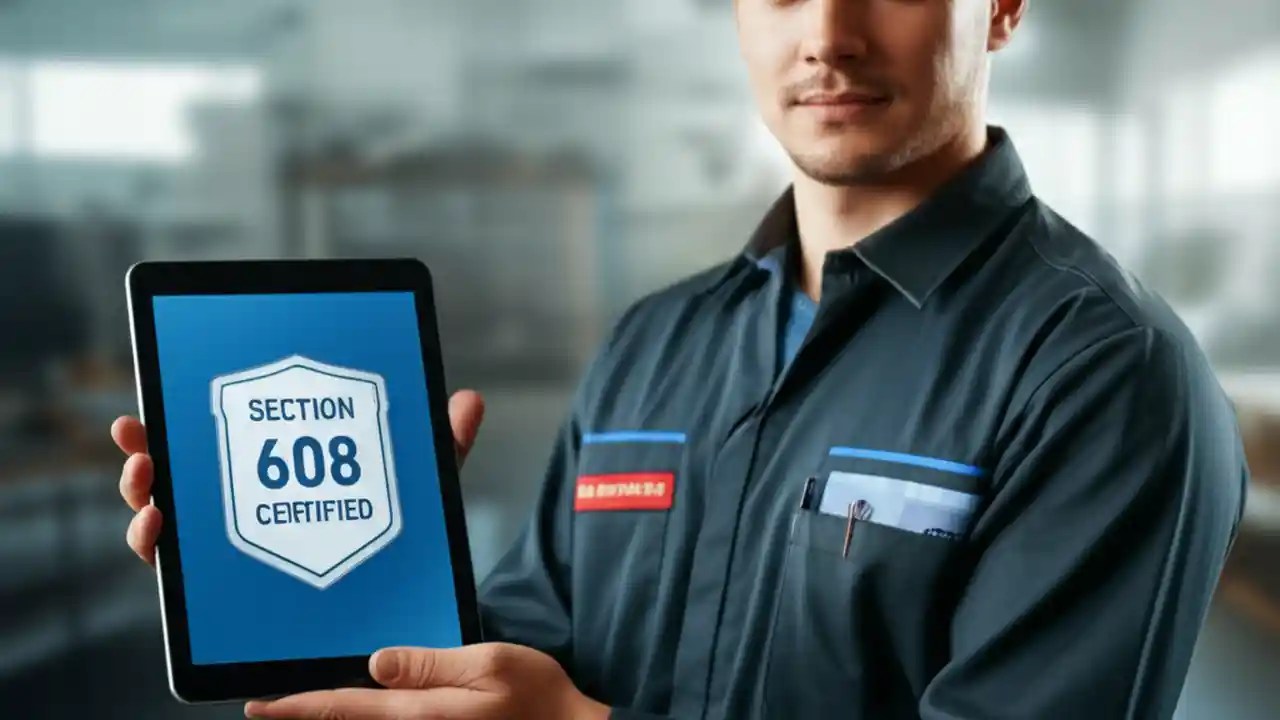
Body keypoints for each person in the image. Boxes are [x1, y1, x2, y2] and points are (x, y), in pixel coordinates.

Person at [112, 0, 1249, 718]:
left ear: (1000, 9)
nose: (827, 35)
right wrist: (343, 568)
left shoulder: (1103, 373)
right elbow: (534, 650)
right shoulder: (655, 342)